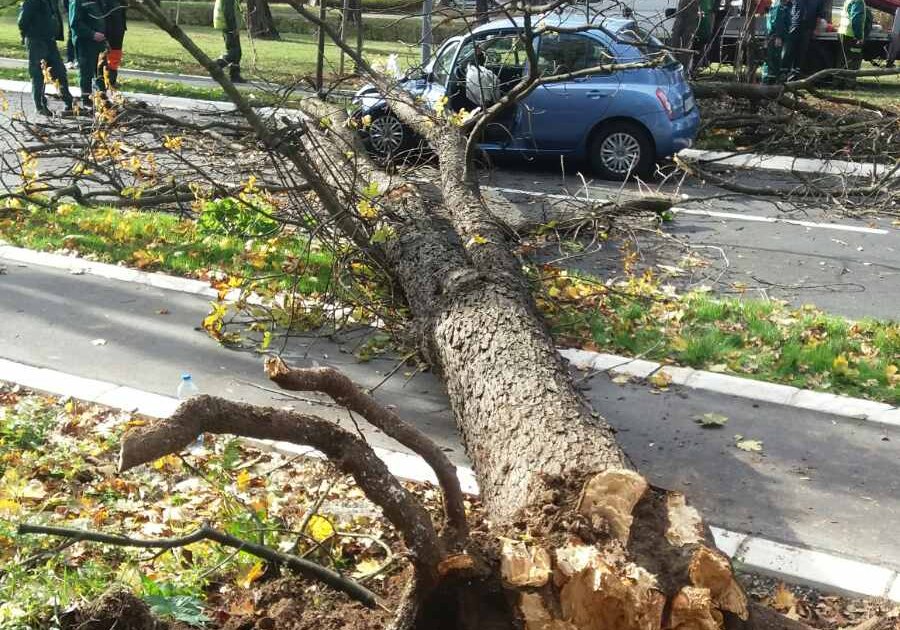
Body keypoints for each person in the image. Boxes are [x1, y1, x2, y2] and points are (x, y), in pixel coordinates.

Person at [17, 0, 75, 116]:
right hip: (36, 40)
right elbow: (22, 21)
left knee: (59, 71)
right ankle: (40, 106)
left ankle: (69, 103)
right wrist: (29, 33)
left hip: (49, 40)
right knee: (38, 74)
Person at [69, 0, 107, 107]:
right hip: (85, 42)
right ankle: (86, 100)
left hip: (99, 42)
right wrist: (92, 34)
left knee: (101, 71)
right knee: (86, 72)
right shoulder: (77, 2)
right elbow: (75, 23)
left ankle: (103, 99)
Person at [837, 0, 873, 86]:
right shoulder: (858, 1)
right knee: (854, 60)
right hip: (851, 35)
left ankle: (838, 83)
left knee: (842, 61)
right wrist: (859, 37)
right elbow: (856, 19)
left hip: (844, 33)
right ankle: (850, 85)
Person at [213, 0, 245, 83]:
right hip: (230, 28)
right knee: (234, 52)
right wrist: (233, 28)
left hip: (230, 27)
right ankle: (216, 65)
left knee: (237, 53)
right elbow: (229, 13)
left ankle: (235, 75)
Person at [98, 0, 126, 89]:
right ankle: (101, 82)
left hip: (118, 25)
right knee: (103, 55)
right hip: (104, 25)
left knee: (115, 54)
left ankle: (112, 80)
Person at [762, 0, 791, 83]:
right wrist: (778, 36)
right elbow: (778, 22)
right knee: (773, 59)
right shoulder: (779, 7)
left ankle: (771, 80)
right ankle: (768, 81)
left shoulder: (781, 6)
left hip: (773, 36)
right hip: (774, 37)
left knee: (773, 59)